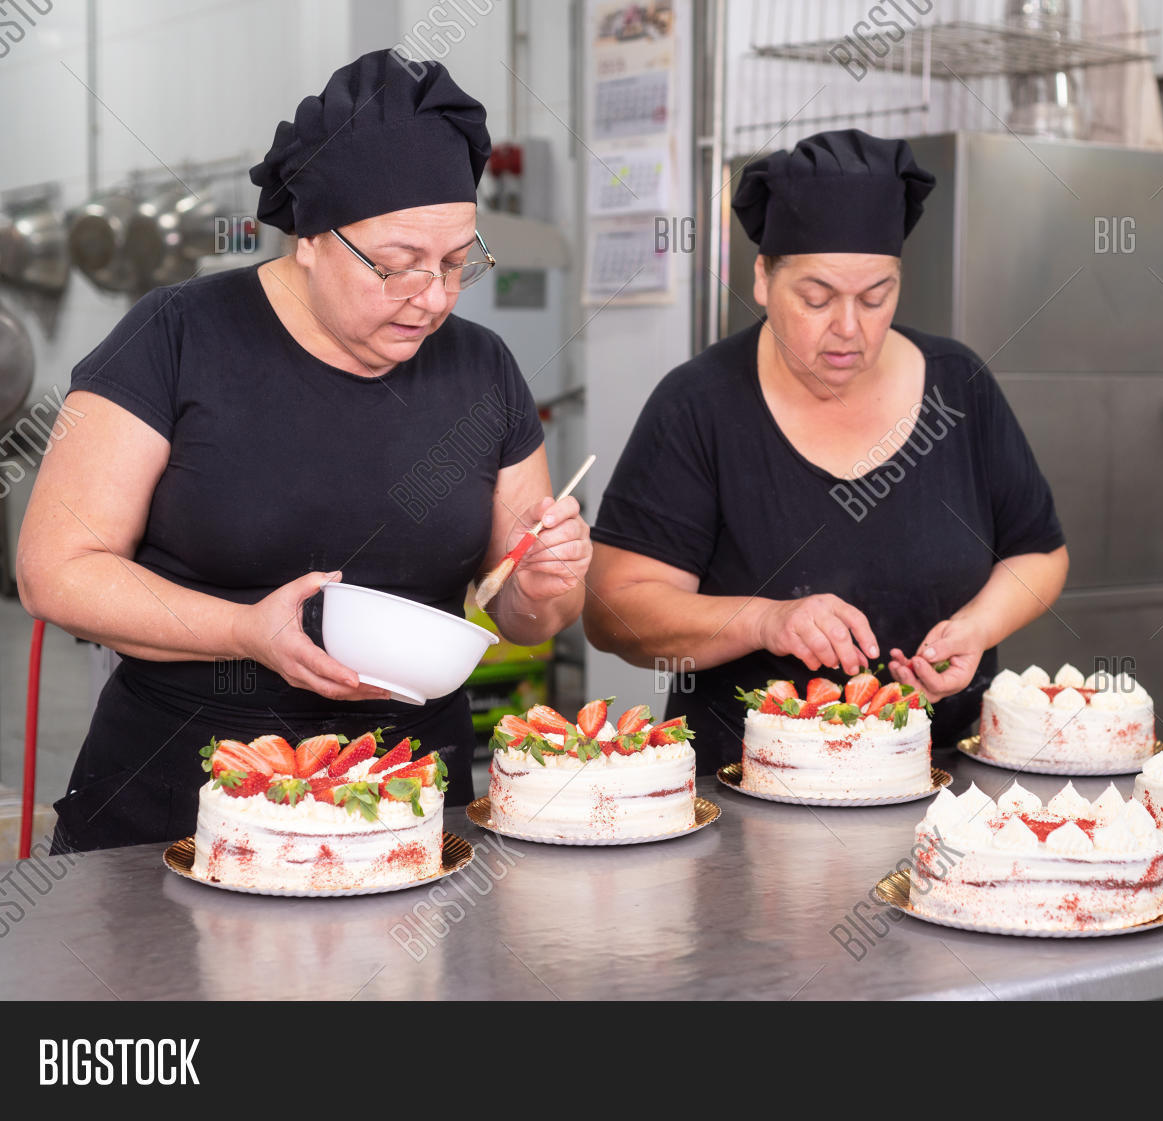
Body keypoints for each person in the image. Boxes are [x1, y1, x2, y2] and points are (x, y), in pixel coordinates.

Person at [18, 50, 591, 852]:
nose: (431, 297)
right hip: (180, 799)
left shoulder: (481, 366)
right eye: (396, 267)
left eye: (458, 263)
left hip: (408, 806)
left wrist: (547, 578)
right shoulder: (177, 336)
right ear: (311, 238)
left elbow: (527, 614)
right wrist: (244, 630)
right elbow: (56, 568)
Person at [584, 129, 1069, 774]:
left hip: (943, 782)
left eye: (876, 297)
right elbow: (615, 613)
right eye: (816, 298)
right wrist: (764, 622)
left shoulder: (959, 385)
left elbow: (1038, 554)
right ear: (761, 279)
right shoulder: (699, 406)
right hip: (745, 791)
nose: (849, 329)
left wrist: (978, 627)